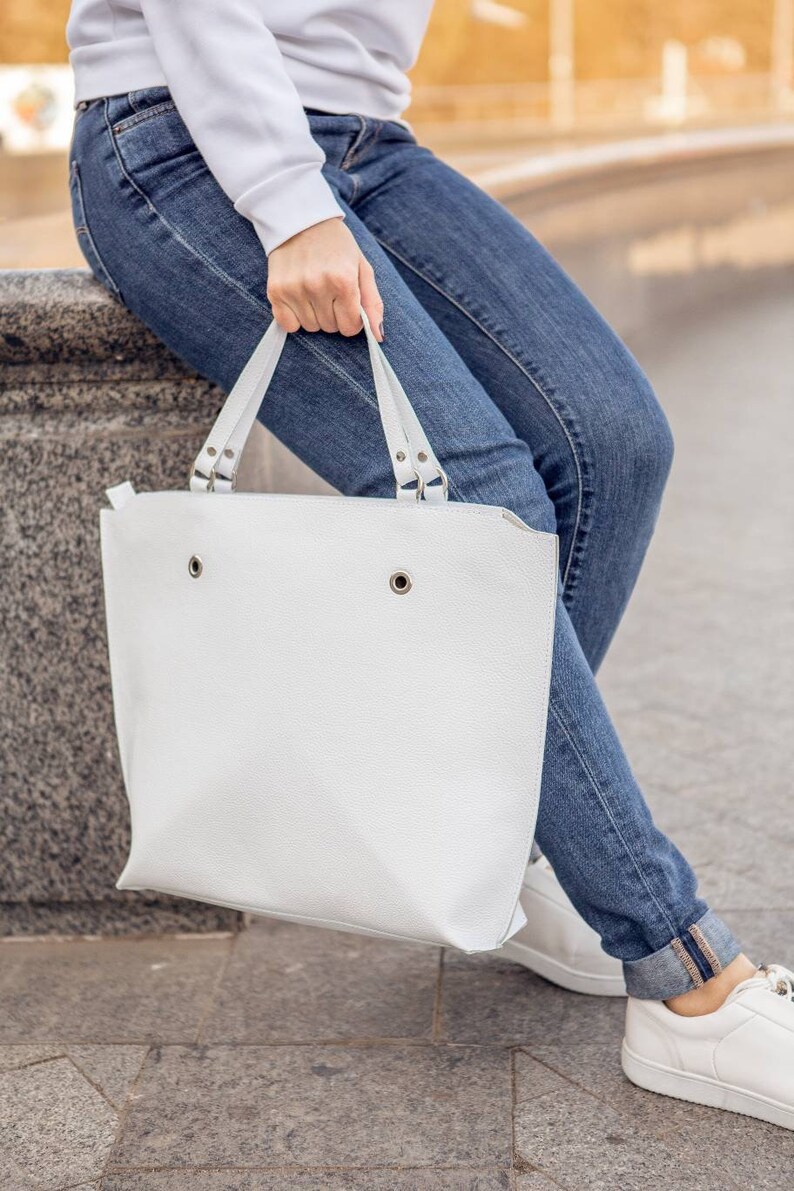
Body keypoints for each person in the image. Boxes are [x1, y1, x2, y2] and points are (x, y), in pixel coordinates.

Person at [66, 0, 794, 1129]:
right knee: (471, 506)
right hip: (179, 134)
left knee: (611, 443)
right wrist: (285, 203)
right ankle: (682, 972)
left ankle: (522, 842)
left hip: (365, 135)